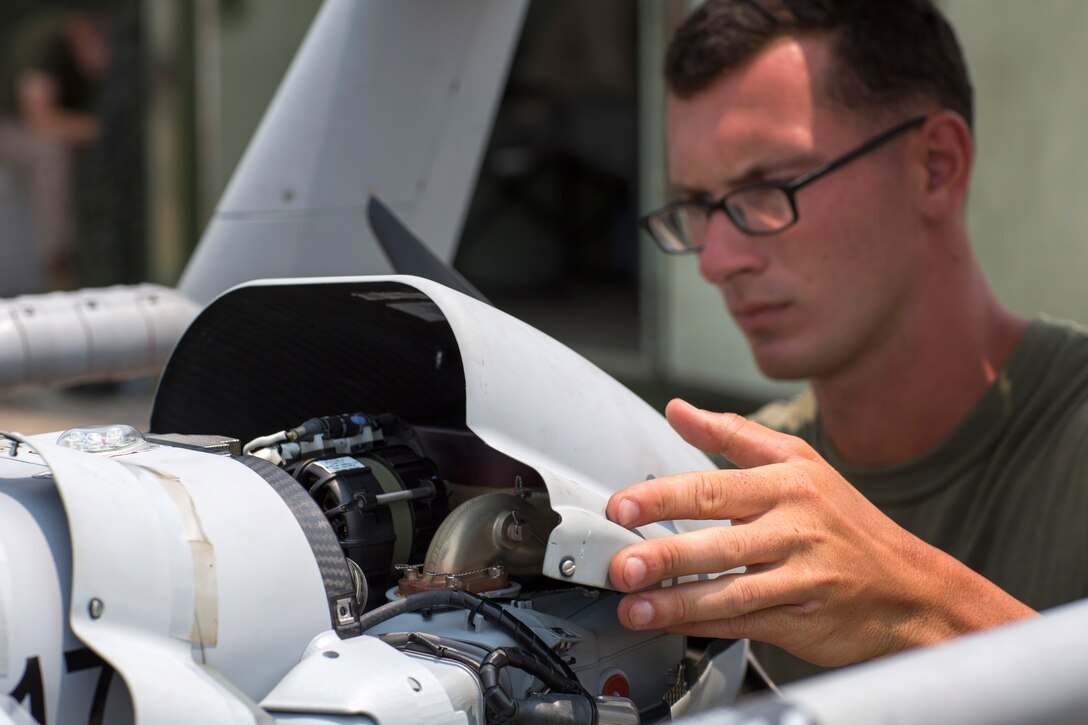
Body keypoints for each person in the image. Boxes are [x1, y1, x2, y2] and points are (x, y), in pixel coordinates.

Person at [607, 0, 1088, 684]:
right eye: (698, 206)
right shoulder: (733, 491)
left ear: (936, 167)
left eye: (768, 188)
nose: (716, 260)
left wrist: (918, 607)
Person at [0, 10, 109, 291]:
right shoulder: (45, 43)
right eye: (97, 37)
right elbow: (39, 119)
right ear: (80, 27)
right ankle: (57, 268)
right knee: (49, 155)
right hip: (9, 126)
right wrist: (93, 129)